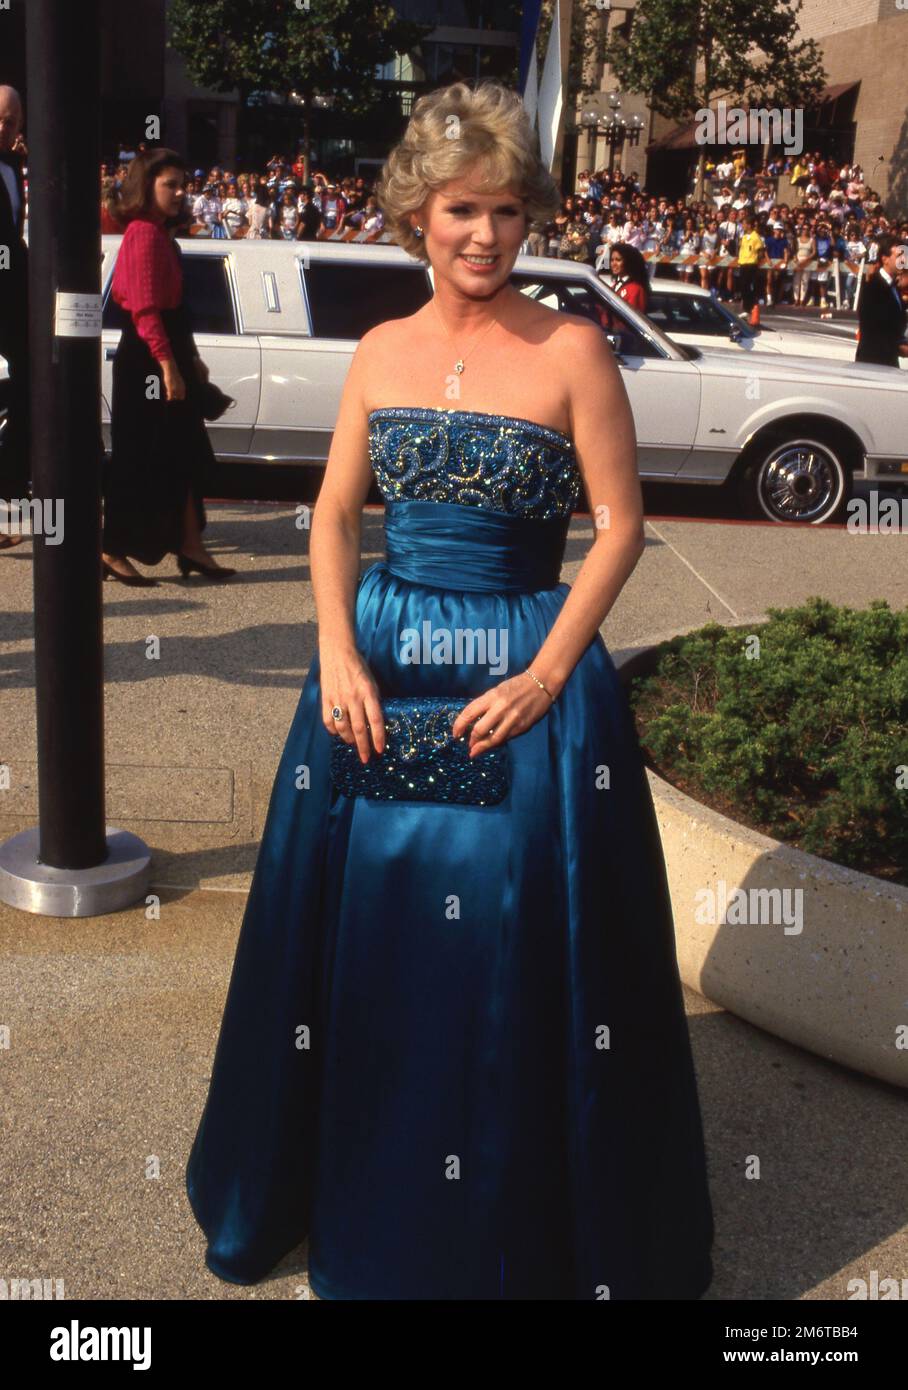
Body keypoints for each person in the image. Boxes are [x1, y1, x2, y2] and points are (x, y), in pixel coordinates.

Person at [184, 78, 714, 1301]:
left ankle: (519, 1223)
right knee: (362, 938)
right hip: (377, 667)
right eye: (461, 210)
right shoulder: (378, 350)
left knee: (519, 952)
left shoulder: (573, 348)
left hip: (527, 679)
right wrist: (332, 648)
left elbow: (622, 529)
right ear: (417, 213)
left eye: (509, 213)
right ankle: (352, 1189)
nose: (485, 236)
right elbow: (329, 517)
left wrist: (543, 675)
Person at [101, 149, 236, 584]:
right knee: (140, 455)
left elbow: (176, 311)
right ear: (147, 187)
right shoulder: (142, 234)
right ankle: (110, 548)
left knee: (183, 451)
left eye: (183, 184)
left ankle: (191, 545)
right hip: (147, 360)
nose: (180, 192)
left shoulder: (162, 235)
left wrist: (190, 357)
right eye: (170, 185)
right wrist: (167, 365)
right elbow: (144, 310)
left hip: (166, 354)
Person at [0, 86, 30, 552]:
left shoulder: (13, 168)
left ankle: (7, 508)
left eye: (10, 120)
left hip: (13, 298)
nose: (2, 129)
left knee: (27, 395)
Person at [855, 234, 908, 367]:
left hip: (889, 359)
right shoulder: (872, 285)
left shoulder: (894, 287)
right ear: (885, 259)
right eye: (899, 256)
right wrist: (898, 347)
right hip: (872, 359)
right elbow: (871, 326)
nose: (903, 260)